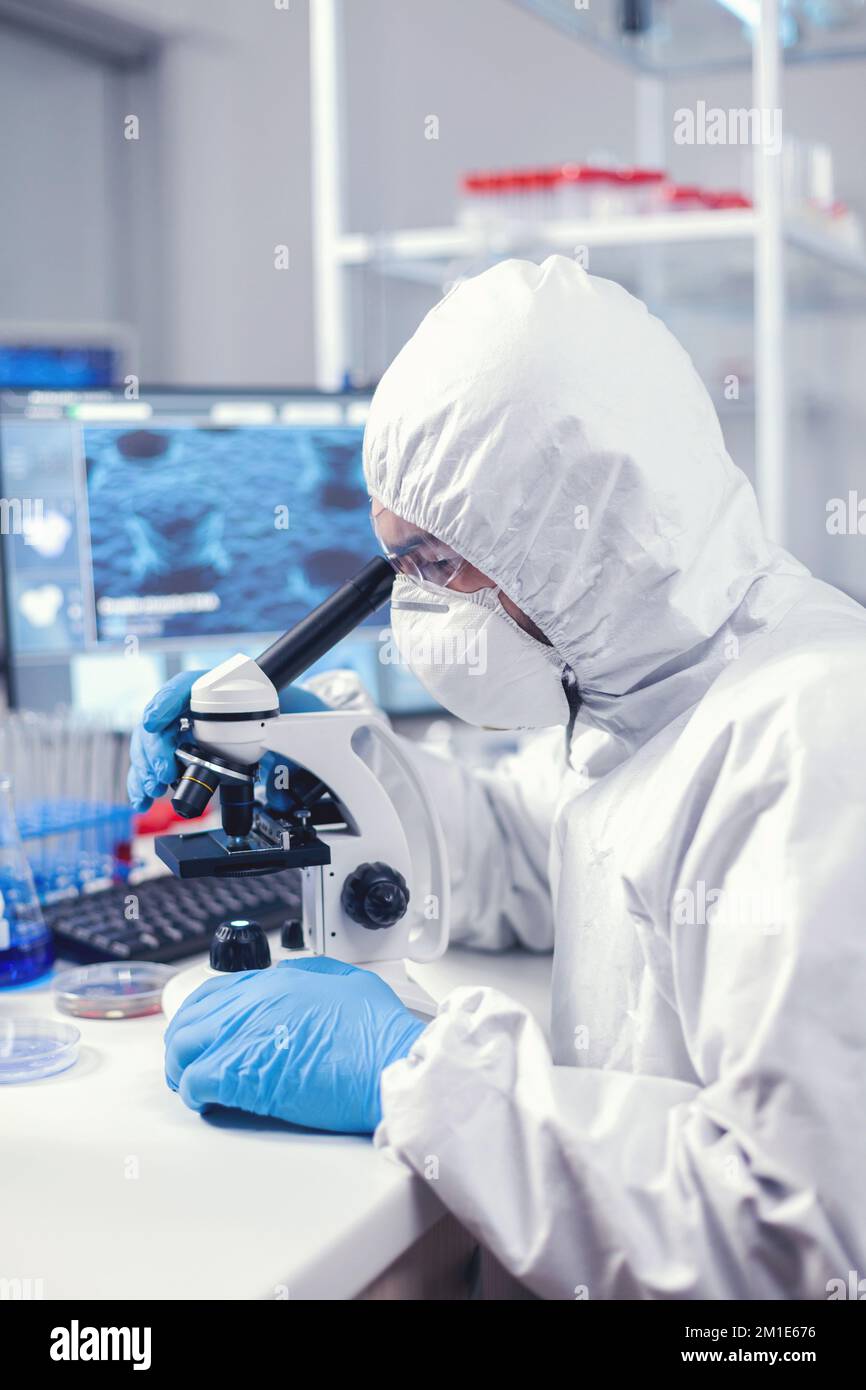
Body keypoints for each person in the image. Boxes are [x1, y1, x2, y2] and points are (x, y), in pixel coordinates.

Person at [130, 256, 866, 1299]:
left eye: (438, 564)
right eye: (400, 570)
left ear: (572, 533)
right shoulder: (641, 688)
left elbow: (791, 1247)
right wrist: (329, 764)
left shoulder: (813, 730)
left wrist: (413, 1073)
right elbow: (534, 851)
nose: (415, 608)